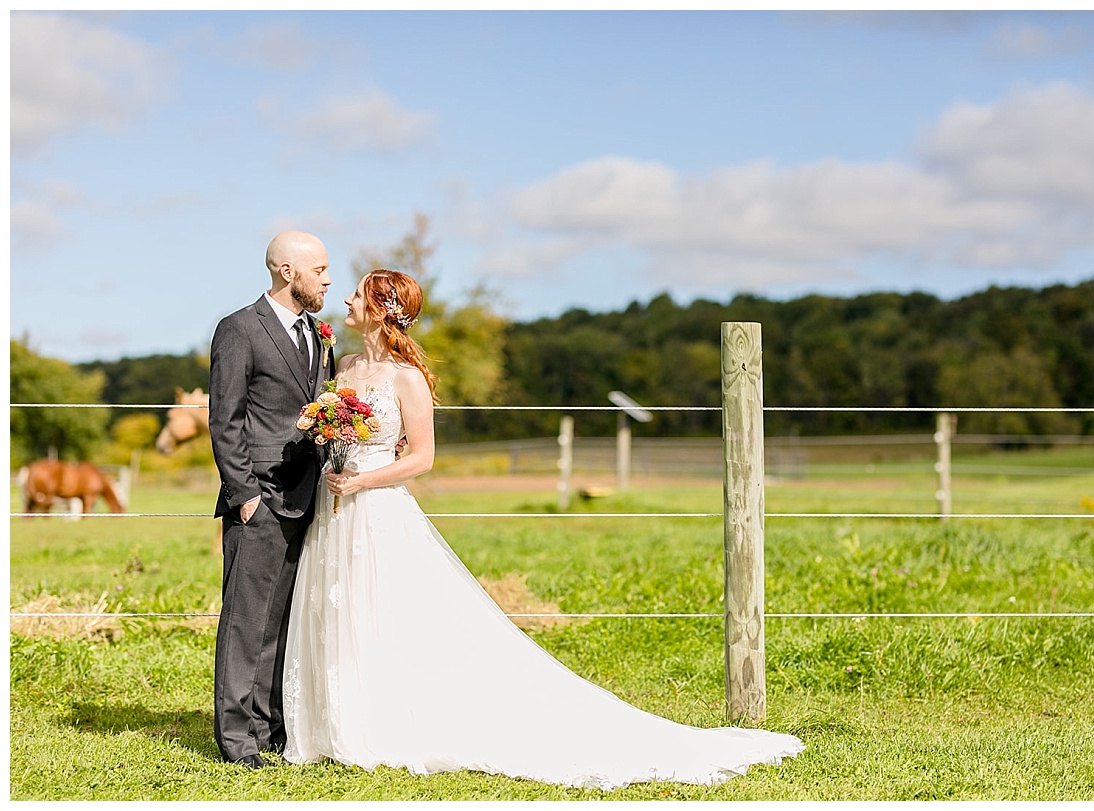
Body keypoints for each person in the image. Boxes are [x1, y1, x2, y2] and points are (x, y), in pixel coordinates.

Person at [281, 270, 804, 789]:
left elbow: (423, 458)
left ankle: (395, 722)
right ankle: (343, 725)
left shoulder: (406, 378)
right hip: (336, 510)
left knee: (389, 611)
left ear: (379, 308)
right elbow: (340, 431)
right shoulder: (344, 365)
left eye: (356, 293)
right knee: (339, 605)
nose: (345, 298)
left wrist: (364, 480)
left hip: (376, 510)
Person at [209, 230, 334, 769]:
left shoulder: (319, 336)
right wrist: (244, 496)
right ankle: (236, 740)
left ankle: (268, 729)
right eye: (321, 270)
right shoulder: (239, 329)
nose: (329, 279)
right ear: (288, 271)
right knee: (245, 620)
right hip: (259, 498)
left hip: (308, 496)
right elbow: (225, 418)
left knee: (281, 619)